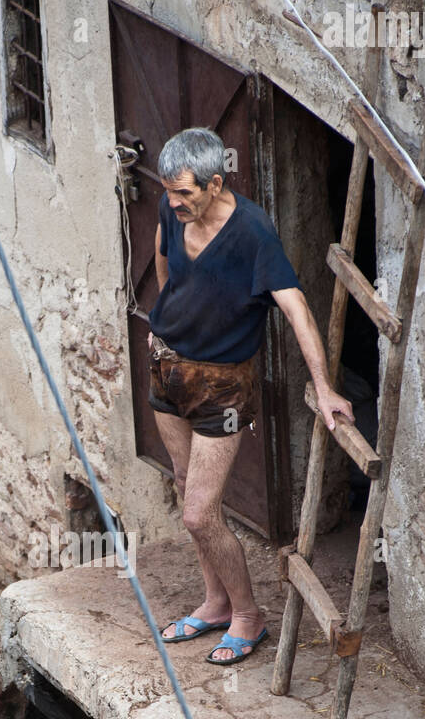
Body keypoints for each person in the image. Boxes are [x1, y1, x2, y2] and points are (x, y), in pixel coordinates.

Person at [148, 126, 354, 665]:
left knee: (199, 514)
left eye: (185, 193)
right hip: (166, 369)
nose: (173, 203)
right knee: (183, 481)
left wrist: (326, 387)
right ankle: (214, 603)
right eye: (169, 192)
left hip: (223, 387)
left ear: (215, 183)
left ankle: (248, 615)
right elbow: (164, 260)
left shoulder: (254, 234)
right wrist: (166, 315)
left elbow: (297, 310)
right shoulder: (174, 210)